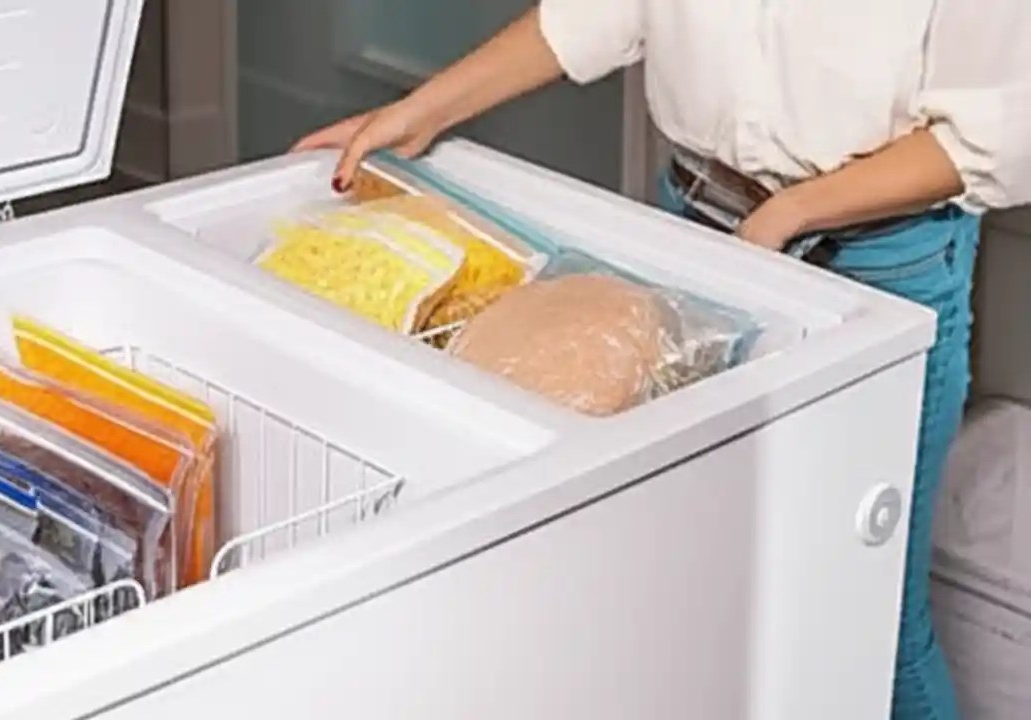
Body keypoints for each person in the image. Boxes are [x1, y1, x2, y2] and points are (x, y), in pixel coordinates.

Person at [293, 3, 1031, 719]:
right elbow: (603, 13)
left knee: (868, 612)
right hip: (694, 224)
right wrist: (422, 111)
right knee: (695, 587)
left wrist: (789, 213)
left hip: (873, 262)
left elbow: (996, 133)